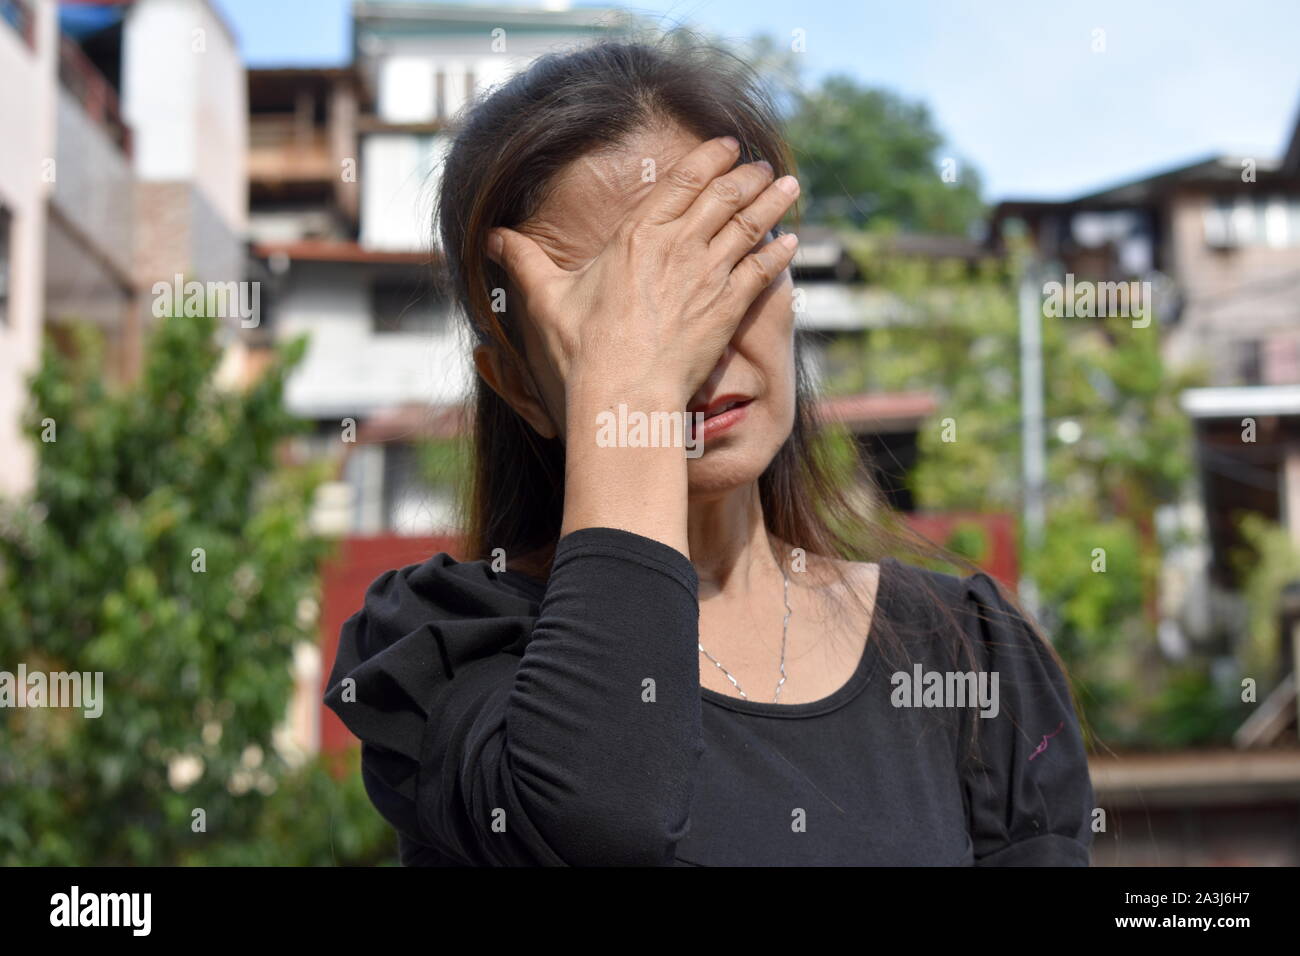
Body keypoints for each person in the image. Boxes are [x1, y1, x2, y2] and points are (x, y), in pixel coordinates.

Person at [324, 37, 1095, 867]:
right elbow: (597, 815)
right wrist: (629, 402)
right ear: (519, 388)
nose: (698, 352)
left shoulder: (961, 649)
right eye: (629, 313)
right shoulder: (444, 655)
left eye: (724, 271)